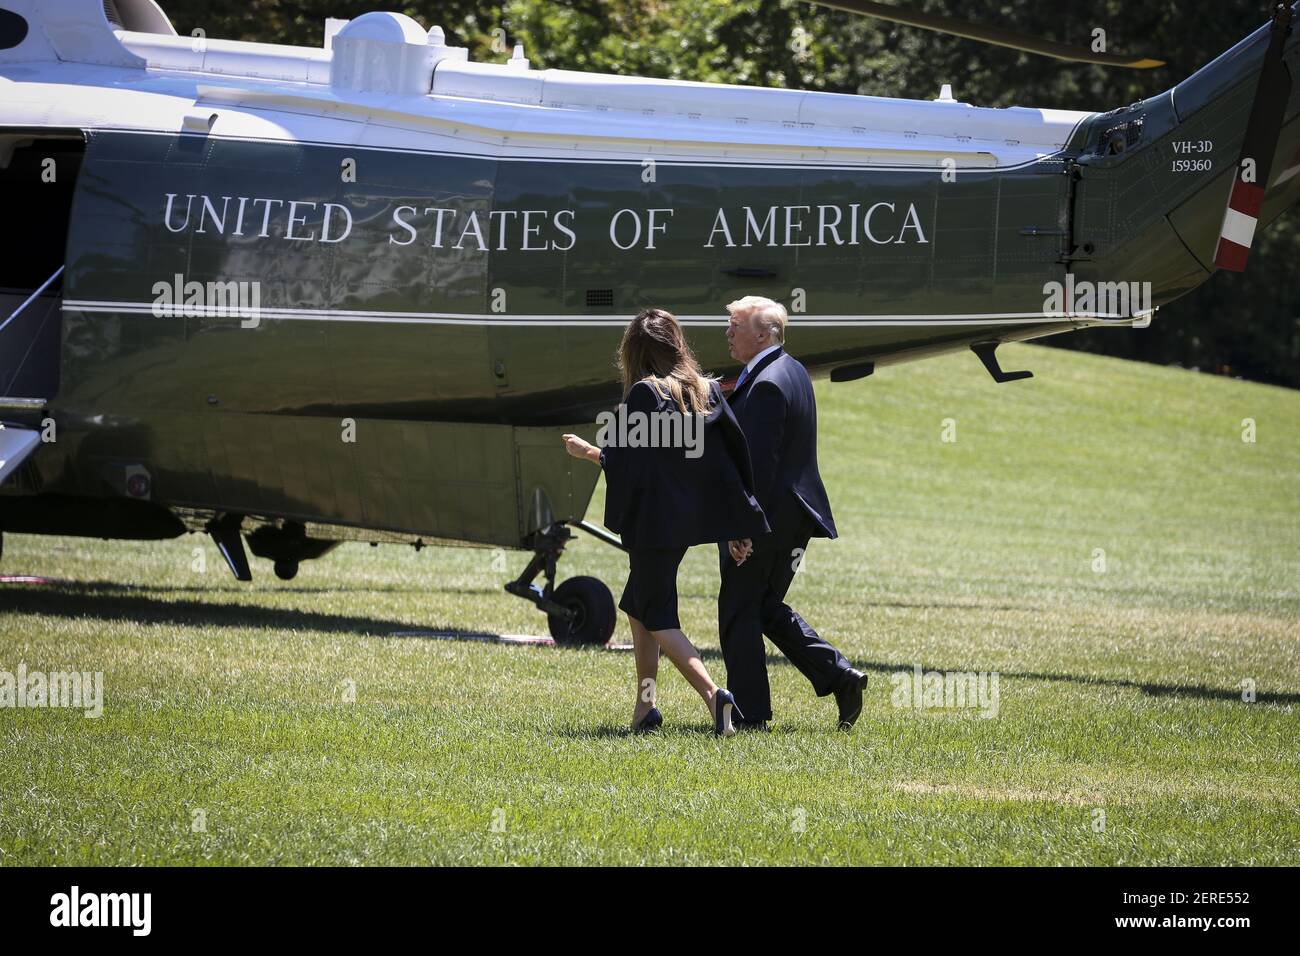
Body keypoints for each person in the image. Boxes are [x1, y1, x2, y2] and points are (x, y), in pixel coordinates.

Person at [563, 308, 769, 736]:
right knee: (639, 607)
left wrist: (588, 453)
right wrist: (735, 524)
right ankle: (645, 709)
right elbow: (728, 463)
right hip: (684, 527)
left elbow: (627, 464)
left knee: (656, 615)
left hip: (652, 527)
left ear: (638, 353)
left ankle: (715, 696)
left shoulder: (645, 393)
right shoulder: (706, 389)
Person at [719, 295, 869, 731]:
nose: (727, 332)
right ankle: (839, 676)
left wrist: (743, 524)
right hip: (792, 517)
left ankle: (750, 716)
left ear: (763, 334)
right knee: (762, 606)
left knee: (738, 609)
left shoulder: (766, 382)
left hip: (769, 518)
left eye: (735, 326)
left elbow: (759, 466)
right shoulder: (792, 369)